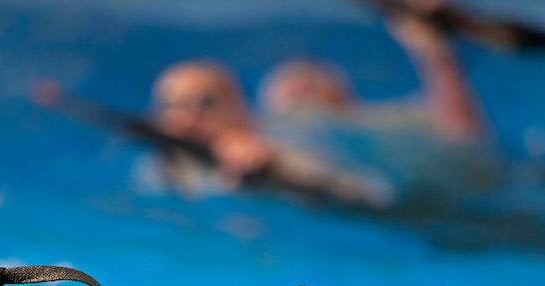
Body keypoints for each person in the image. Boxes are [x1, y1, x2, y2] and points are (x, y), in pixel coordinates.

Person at [147, 60, 394, 208]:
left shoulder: (276, 150)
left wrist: (278, 167)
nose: (189, 118)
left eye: (208, 104)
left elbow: (375, 195)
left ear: (241, 114)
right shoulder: (161, 169)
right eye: (172, 106)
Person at [258, 6, 485, 145]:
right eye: (290, 86)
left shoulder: (387, 121)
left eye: (311, 81)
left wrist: (435, 56)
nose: (301, 87)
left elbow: (464, 135)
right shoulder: (263, 138)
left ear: (346, 94)